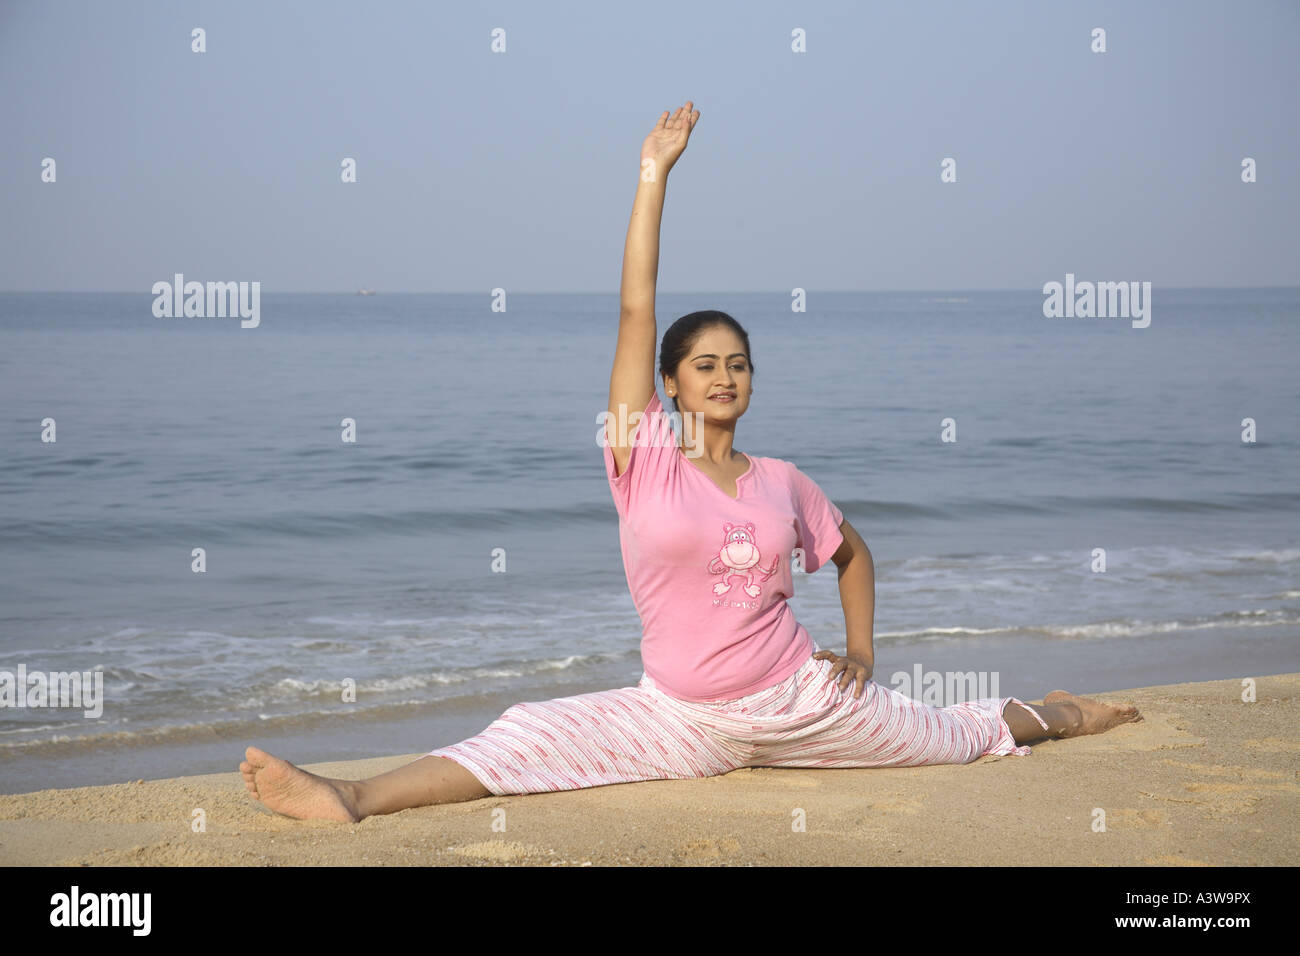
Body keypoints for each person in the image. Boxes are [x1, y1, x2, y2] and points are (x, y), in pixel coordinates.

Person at [240, 101, 1142, 823]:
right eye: (704, 365)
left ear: (752, 382)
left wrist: (861, 649)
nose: (724, 376)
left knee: (962, 731)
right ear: (669, 385)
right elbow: (637, 310)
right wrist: (653, 174)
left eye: (737, 364)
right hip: (678, 718)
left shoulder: (785, 481)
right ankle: (348, 797)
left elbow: (854, 553)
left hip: (806, 705)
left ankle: (1076, 709)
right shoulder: (641, 457)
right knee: (526, 737)